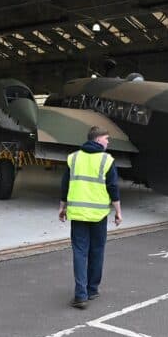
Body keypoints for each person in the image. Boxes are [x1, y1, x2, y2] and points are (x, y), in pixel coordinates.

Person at [59, 126, 122, 309]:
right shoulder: (107, 160)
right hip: (98, 215)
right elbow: (113, 188)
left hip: (77, 214)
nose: (108, 142)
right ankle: (92, 289)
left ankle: (80, 295)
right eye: (106, 138)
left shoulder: (74, 158)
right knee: (97, 251)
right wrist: (118, 211)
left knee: (80, 252)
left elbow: (65, 185)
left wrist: (62, 207)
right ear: (98, 139)